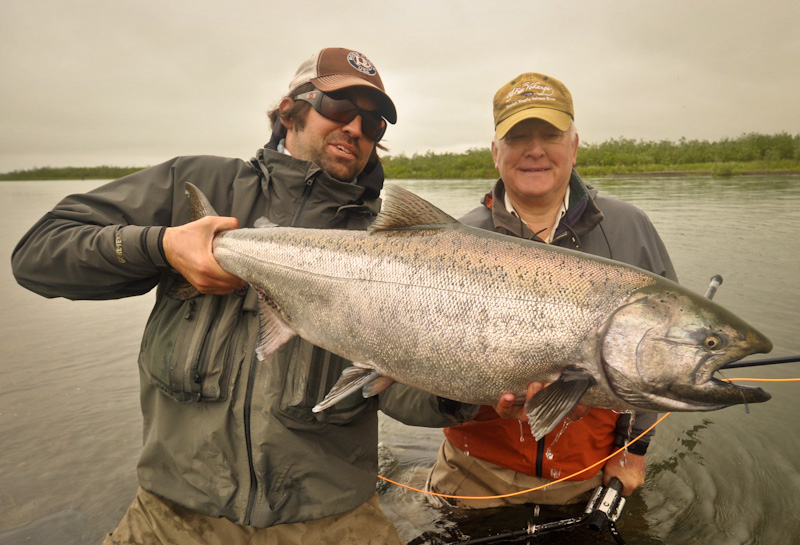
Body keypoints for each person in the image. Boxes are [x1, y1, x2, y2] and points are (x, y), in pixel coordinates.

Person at [11, 47, 479, 545]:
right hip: (171, 516)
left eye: (373, 122)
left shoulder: (392, 243)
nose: (355, 128)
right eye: (340, 107)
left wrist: (471, 383)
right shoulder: (196, 184)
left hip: (334, 520)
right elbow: (39, 253)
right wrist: (162, 246)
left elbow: (395, 392)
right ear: (289, 111)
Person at [425, 72, 678, 509]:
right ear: (495, 152)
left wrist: (633, 450)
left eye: (550, 135)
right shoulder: (453, 241)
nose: (535, 150)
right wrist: (471, 394)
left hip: (587, 476)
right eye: (518, 136)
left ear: (574, 147)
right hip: (472, 472)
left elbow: (661, 354)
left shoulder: (630, 228)